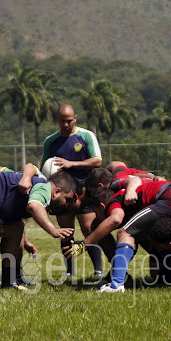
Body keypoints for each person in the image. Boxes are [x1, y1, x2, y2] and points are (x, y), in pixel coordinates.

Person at [0, 165, 77, 288]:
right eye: (67, 199)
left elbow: (5, 170)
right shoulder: (44, 189)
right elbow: (34, 206)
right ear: (56, 192)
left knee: (16, 228)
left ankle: (9, 280)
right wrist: (54, 230)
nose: (66, 204)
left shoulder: (33, 179)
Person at [41, 104, 103, 278]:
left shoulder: (86, 136)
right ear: (57, 120)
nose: (66, 124)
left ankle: (98, 270)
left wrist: (71, 164)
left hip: (84, 193)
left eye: (69, 121)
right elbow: (44, 167)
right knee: (66, 231)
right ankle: (69, 271)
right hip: (63, 195)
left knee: (88, 228)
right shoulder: (50, 141)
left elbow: (97, 161)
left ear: (75, 118)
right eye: (62, 121)